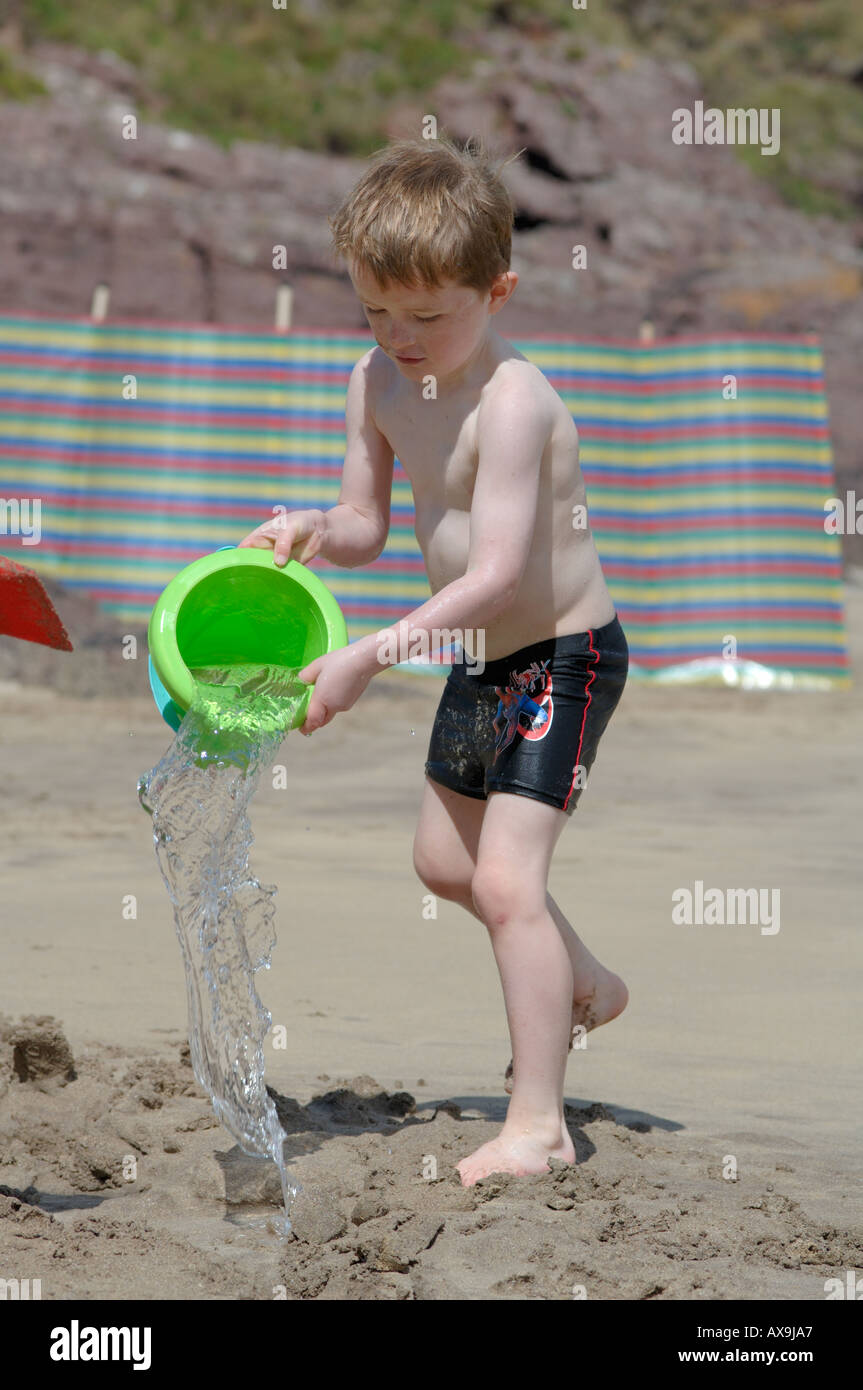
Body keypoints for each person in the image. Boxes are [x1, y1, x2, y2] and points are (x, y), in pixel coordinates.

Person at [239, 135, 629, 1187]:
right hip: (474, 655)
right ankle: (584, 974)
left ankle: (537, 1122)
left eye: (426, 315)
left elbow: (498, 574)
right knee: (443, 866)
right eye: (375, 311)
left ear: (495, 289)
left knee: (506, 880)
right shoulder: (373, 378)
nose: (399, 338)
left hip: (559, 654)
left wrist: (367, 654)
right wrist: (313, 525)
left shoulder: (515, 403)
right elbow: (369, 524)